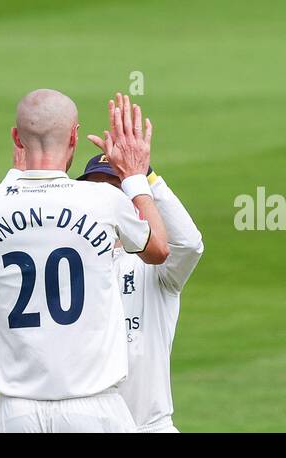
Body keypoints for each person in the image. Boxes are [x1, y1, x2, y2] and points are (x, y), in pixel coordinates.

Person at [0, 90, 170, 432]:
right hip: (94, 409)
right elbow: (159, 249)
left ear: (16, 137)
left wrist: (14, 182)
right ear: (74, 135)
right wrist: (134, 176)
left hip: (16, 413)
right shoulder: (103, 199)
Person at [80, 154, 204, 433]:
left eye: (116, 188)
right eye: (96, 188)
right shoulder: (72, 263)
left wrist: (146, 178)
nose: (105, 198)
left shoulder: (153, 267)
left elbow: (188, 244)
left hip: (148, 426)